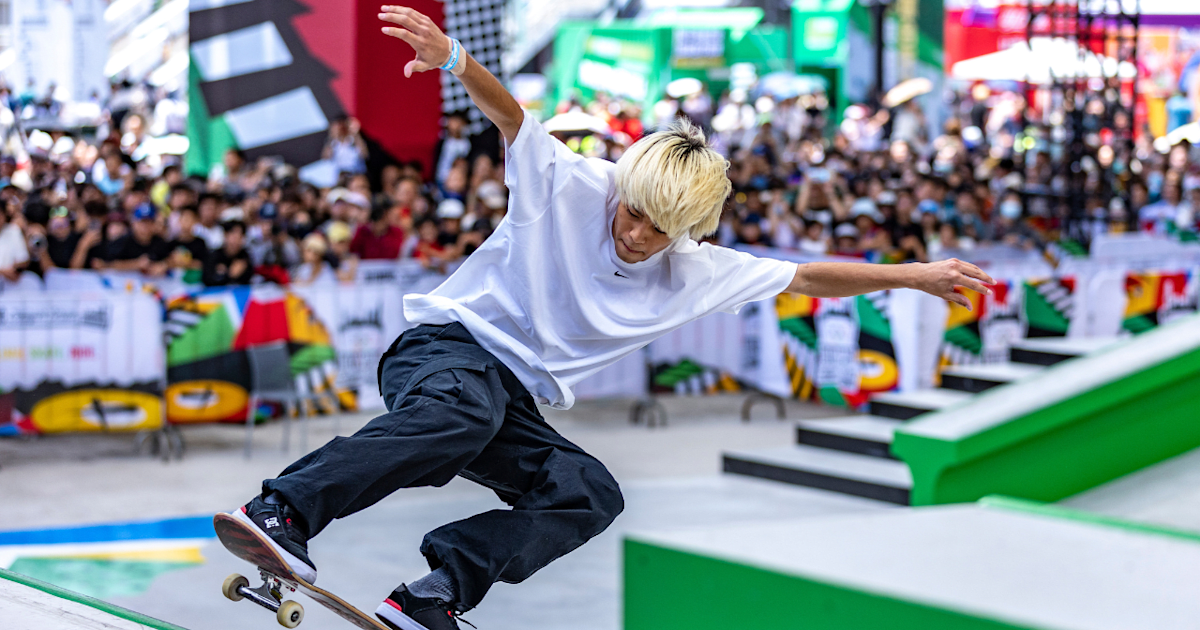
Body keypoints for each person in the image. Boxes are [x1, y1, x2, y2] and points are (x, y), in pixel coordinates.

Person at [227, 8, 994, 630]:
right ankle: (281, 508)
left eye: (654, 231)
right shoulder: (574, 183)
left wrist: (915, 275)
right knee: (463, 410)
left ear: (685, 232)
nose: (632, 233)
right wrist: (455, 58)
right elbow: (513, 117)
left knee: (586, 491)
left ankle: (435, 594)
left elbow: (808, 275)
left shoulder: (698, 269)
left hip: (505, 398)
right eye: (629, 214)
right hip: (443, 349)